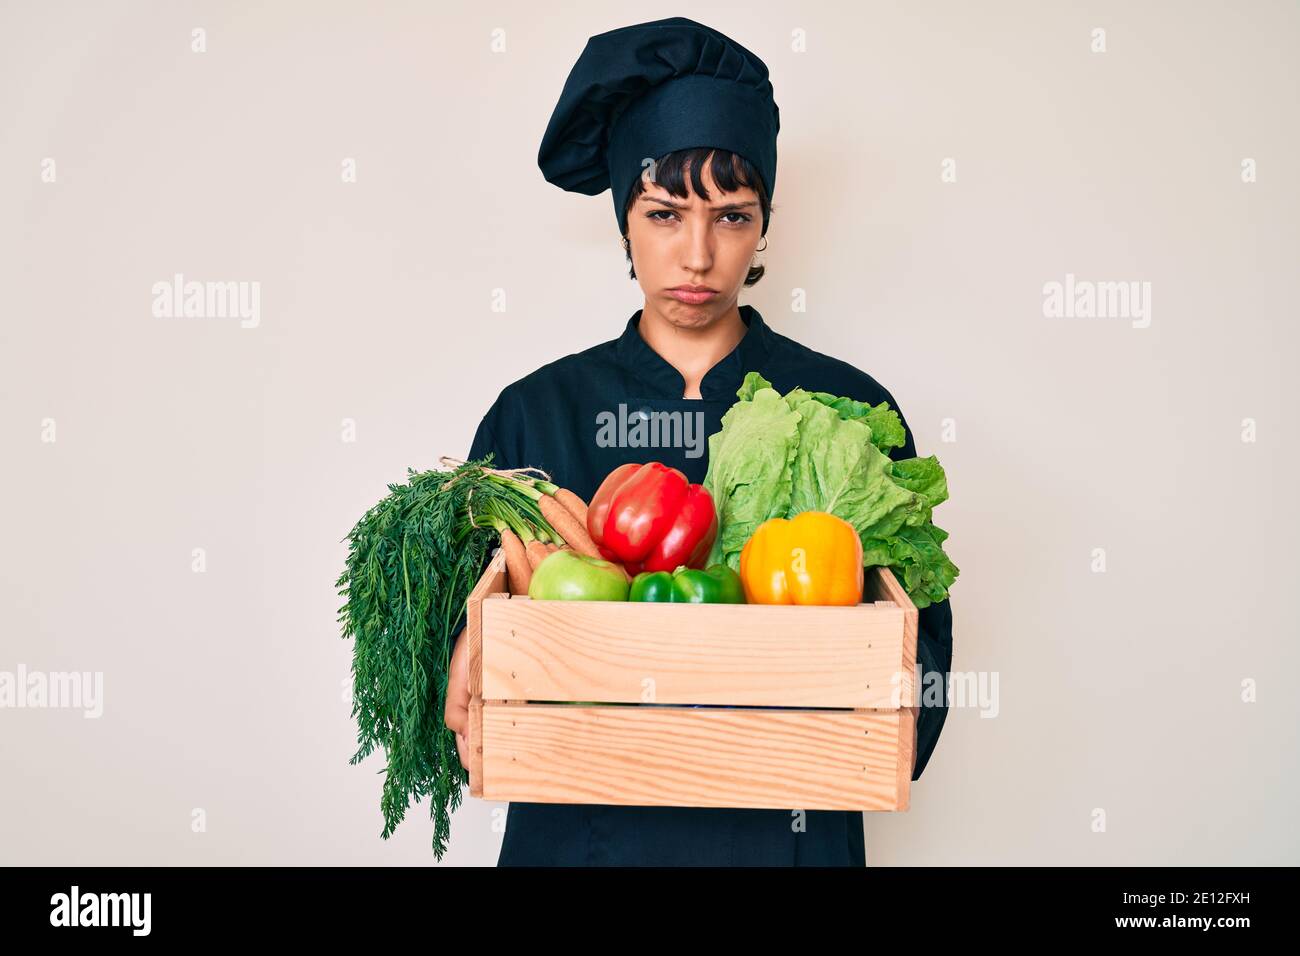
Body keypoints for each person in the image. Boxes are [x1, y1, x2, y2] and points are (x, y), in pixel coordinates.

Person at [443, 16, 954, 866]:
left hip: (790, 837)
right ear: (624, 221)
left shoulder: (848, 407)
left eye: (732, 216)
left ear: (764, 227)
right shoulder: (533, 413)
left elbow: (917, 652)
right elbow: (467, 670)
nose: (696, 253)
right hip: (581, 842)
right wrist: (468, 640)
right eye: (664, 212)